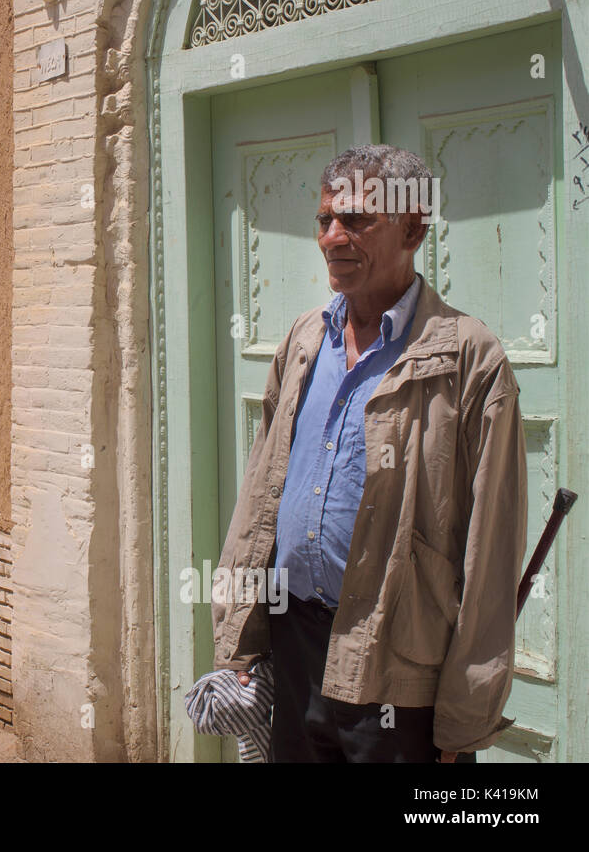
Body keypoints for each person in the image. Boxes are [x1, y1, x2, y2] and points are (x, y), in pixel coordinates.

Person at [211, 144, 527, 762]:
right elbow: (259, 501)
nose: (332, 237)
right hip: (294, 643)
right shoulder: (305, 340)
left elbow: (490, 556)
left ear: (413, 228)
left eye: (356, 220)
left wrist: (463, 719)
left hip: (397, 667)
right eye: (325, 220)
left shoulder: (469, 359)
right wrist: (238, 639)